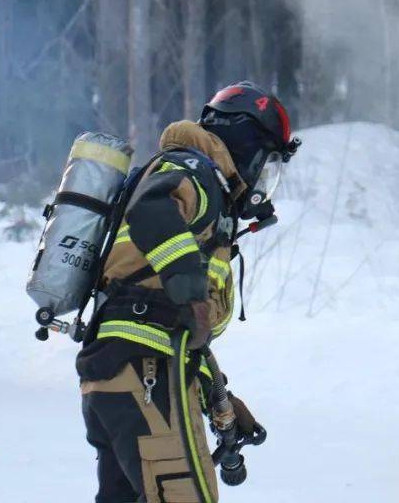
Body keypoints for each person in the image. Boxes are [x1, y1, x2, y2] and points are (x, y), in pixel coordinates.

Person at [76, 81, 299, 503]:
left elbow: (178, 326)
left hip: (123, 372)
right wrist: (191, 288)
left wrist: (221, 400)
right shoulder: (193, 171)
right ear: (247, 142)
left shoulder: (198, 183)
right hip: (144, 373)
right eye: (265, 161)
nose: (261, 178)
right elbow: (151, 211)